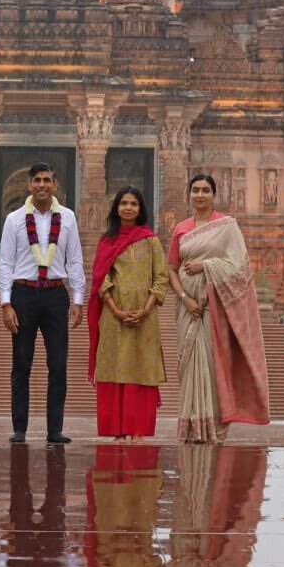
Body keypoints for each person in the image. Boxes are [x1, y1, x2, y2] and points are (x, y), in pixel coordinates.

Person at [166, 172, 271, 443]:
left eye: (205, 190)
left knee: (213, 367)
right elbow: (172, 269)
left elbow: (239, 268)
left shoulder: (226, 226)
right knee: (189, 366)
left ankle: (212, 427)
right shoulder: (181, 229)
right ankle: (191, 427)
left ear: (214, 194)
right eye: (195, 190)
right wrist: (185, 298)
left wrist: (206, 265)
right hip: (187, 308)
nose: (200, 195)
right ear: (189, 194)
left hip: (215, 309)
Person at [0, 162, 85, 444]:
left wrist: (78, 299)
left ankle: (54, 429)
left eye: (47, 180)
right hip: (23, 294)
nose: (42, 185)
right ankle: (19, 428)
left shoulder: (68, 218)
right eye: (37, 180)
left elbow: (75, 259)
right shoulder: (14, 220)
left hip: (56, 295)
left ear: (55, 185)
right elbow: (5, 262)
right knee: (21, 364)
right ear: (29, 185)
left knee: (58, 364)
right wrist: (6, 303)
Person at [88, 186, 168, 443]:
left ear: (140, 209)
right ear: (116, 208)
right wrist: (115, 309)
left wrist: (146, 309)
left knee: (141, 368)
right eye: (124, 203)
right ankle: (117, 431)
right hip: (113, 317)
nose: (128, 208)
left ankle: (138, 430)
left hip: (145, 318)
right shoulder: (107, 241)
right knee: (114, 367)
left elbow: (161, 277)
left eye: (134, 204)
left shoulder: (151, 240)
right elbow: (101, 278)